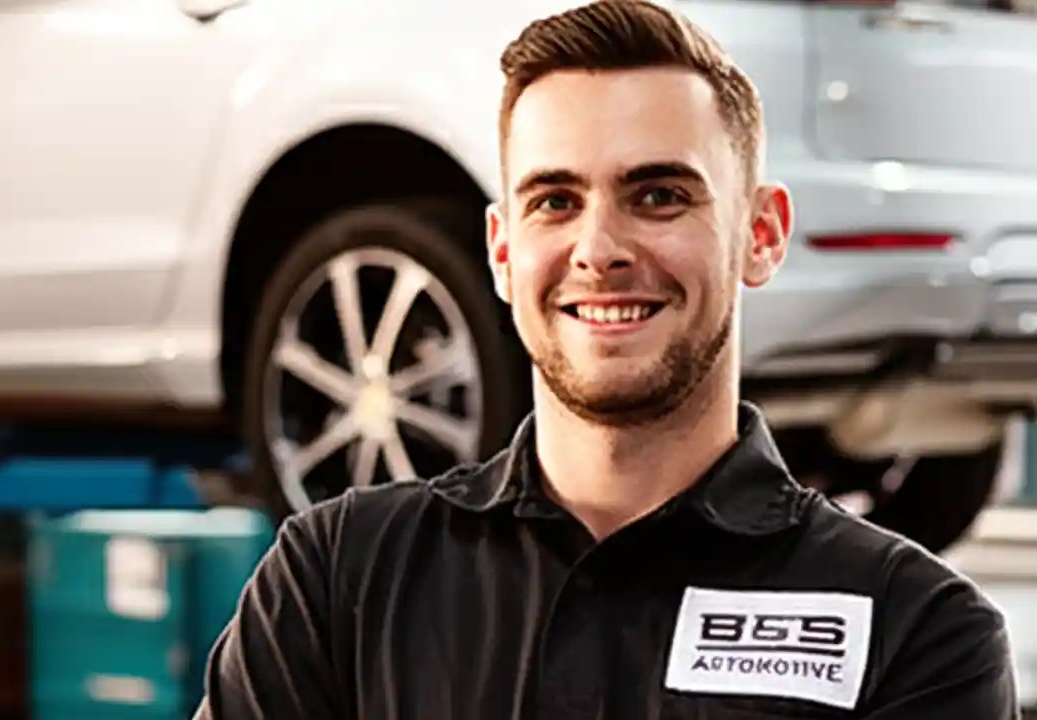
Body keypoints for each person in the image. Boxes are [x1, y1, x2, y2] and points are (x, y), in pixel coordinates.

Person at [194, 1, 1019, 717]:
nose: (600, 248)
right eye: (556, 201)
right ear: (504, 250)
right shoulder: (340, 583)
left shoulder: (913, 629)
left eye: (658, 195)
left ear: (760, 234)